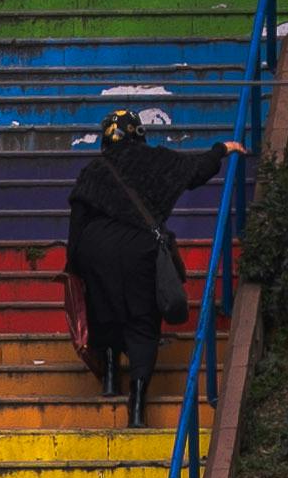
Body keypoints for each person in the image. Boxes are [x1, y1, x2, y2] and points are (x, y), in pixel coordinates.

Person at [63, 107, 192, 426]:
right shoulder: (152, 165)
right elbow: (190, 169)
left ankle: (109, 378)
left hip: (96, 251)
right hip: (140, 252)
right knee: (143, 324)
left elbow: (76, 225)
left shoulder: (93, 171)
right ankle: (136, 410)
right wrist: (221, 150)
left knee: (102, 310)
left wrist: (74, 265)